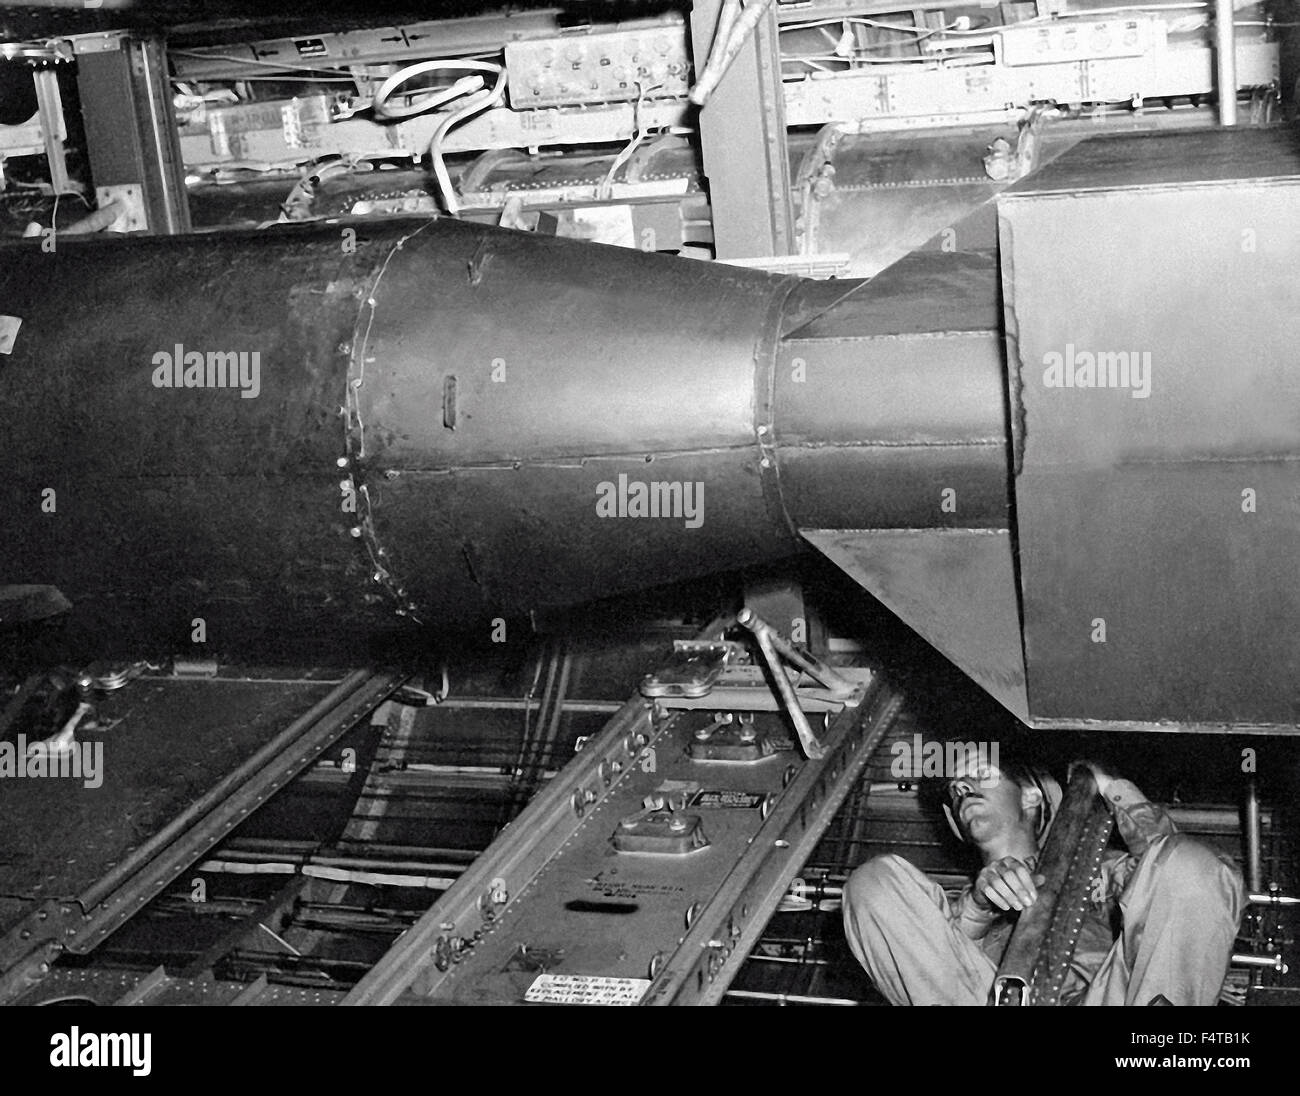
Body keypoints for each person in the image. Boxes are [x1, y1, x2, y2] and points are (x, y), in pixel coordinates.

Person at [841, 754, 1245, 1005]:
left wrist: (1112, 787)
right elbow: (941, 975)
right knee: (873, 883)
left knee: (1193, 863)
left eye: (980, 774)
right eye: (956, 789)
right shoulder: (940, 909)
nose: (963, 789)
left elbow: (1180, 881)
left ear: (1030, 796)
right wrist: (979, 909)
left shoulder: (1094, 867)